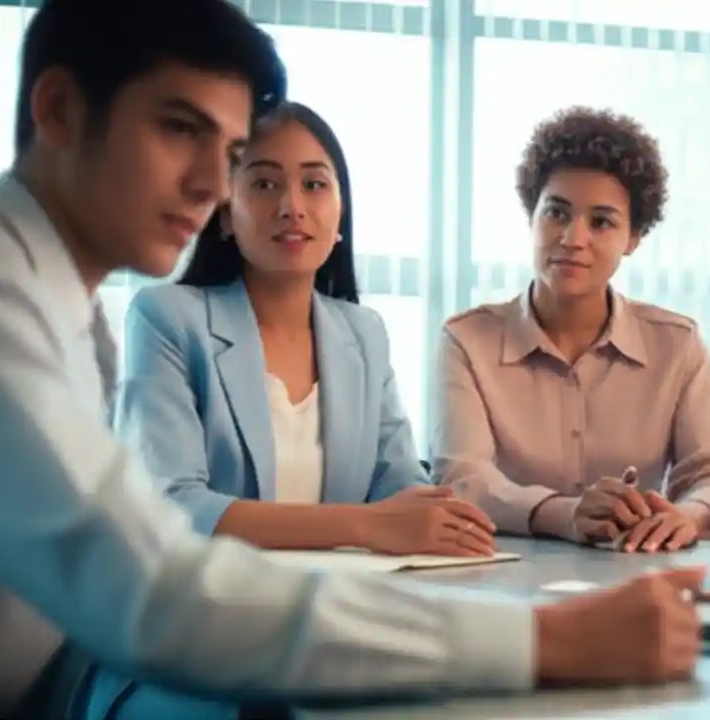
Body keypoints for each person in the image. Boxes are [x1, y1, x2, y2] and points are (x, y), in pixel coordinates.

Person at [0, 2, 705, 717]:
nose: (208, 182)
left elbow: (390, 488)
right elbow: (149, 583)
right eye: (180, 130)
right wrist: (544, 639)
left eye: (228, 152)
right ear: (59, 111)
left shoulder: (62, 309)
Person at [115, 101, 495, 558]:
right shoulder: (166, 318)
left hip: (338, 606)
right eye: (263, 184)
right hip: (205, 609)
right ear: (224, 214)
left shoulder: (363, 332)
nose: (292, 207)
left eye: (314, 184)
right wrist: (365, 526)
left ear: (340, 214)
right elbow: (173, 505)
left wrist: (442, 519)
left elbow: (399, 486)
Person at [434, 106, 710, 553]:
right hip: (503, 580)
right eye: (557, 213)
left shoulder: (676, 344)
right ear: (532, 215)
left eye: (601, 222)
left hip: (638, 576)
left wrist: (687, 516)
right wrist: (566, 513)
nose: (572, 238)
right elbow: (463, 479)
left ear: (634, 237)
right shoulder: (467, 341)